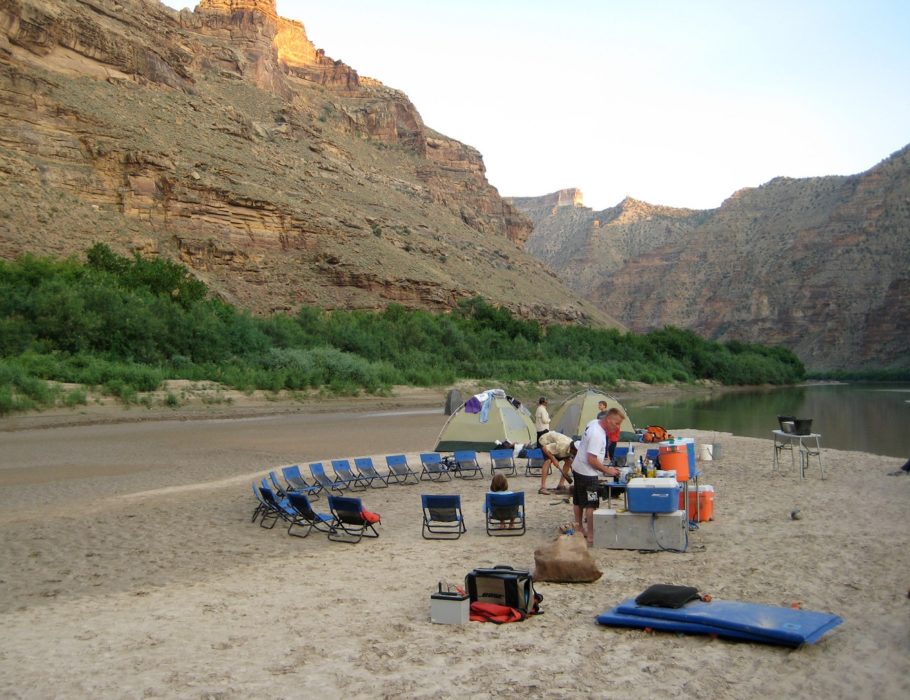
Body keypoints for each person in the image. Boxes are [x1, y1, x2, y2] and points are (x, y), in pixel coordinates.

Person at [572, 408, 623, 545]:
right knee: (591, 504)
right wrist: (607, 471)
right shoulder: (597, 434)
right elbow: (592, 460)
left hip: (577, 466)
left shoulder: (594, 422)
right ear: (608, 420)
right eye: (616, 424)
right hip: (588, 473)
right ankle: (591, 536)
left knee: (578, 499)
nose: (617, 427)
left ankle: (579, 528)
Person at [537, 430, 576, 494]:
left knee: (569, 461)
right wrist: (554, 459)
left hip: (559, 448)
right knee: (548, 461)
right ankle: (542, 487)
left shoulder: (573, 448)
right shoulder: (562, 446)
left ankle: (561, 485)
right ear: (572, 449)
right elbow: (545, 448)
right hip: (545, 441)